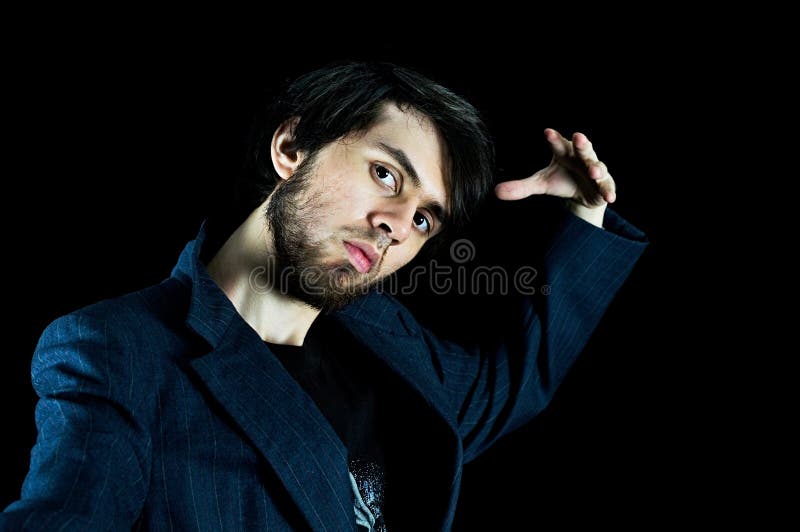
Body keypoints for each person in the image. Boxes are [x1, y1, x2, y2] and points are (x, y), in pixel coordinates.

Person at [1, 61, 647, 531]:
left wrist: (585, 215)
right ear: (291, 147)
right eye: (385, 173)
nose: (398, 223)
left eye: (425, 218)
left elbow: (510, 384)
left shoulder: (385, 335)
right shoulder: (118, 349)